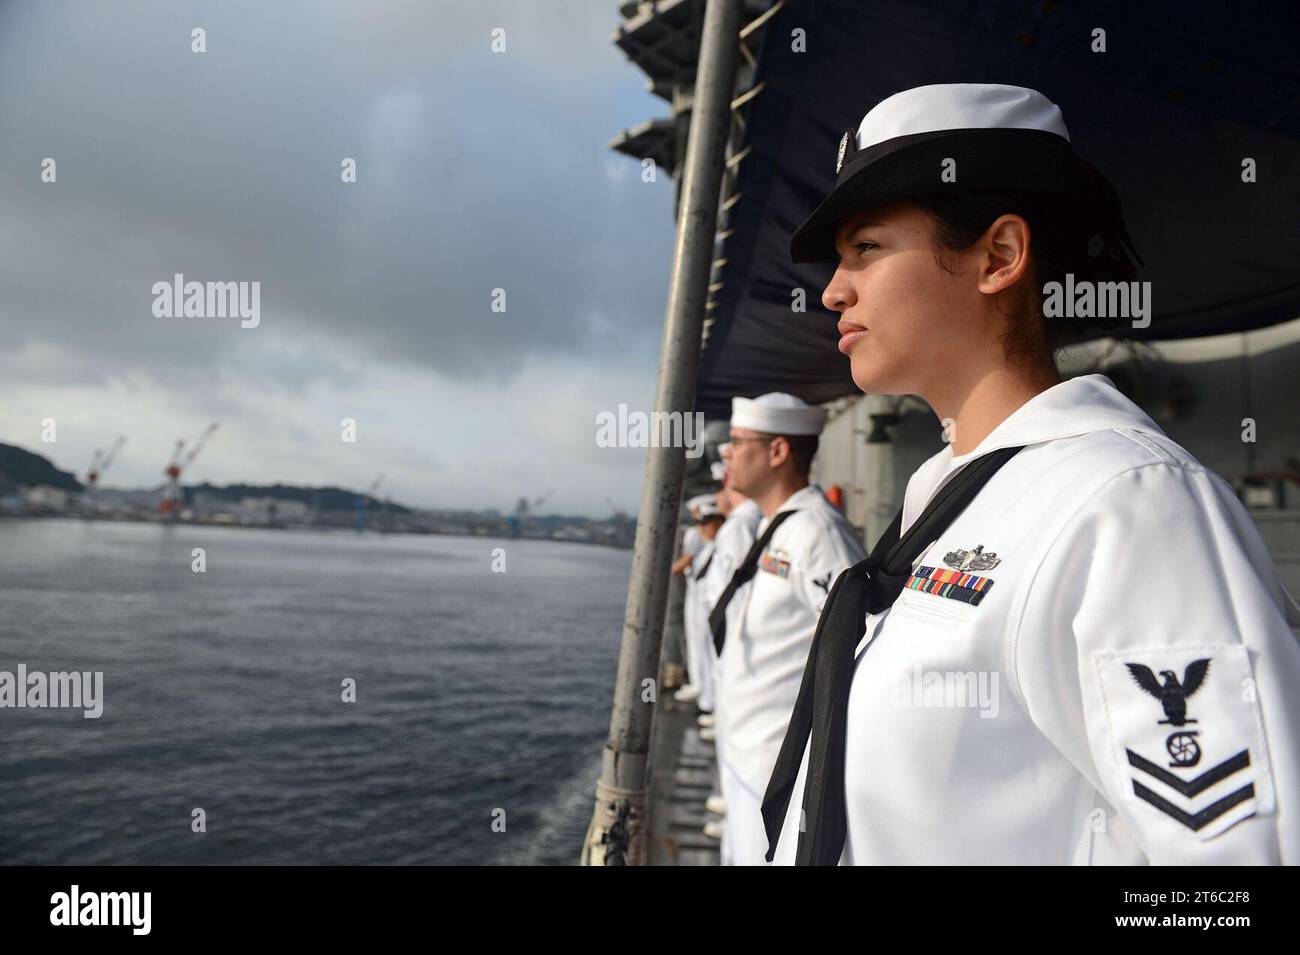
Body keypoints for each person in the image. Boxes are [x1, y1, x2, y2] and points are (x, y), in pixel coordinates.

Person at [762, 83, 1300, 865]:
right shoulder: (948, 494)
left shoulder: (1129, 506)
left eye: (866, 249)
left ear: (999, 257)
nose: (833, 290)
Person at [710, 392, 867, 864]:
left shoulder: (818, 534)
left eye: (738, 442)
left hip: (778, 768)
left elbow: (855, 646)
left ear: (778, 451)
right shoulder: (775, 526)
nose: (727, 454)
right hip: (744, 750)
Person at [672, 494, 716, 705]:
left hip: (702, 597)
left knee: (702, 644)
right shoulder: (701, 534)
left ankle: (704, 690)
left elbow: (685, 561)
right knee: (697, 643)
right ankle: (700, 686)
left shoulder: (698, 535)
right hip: (697, 592)